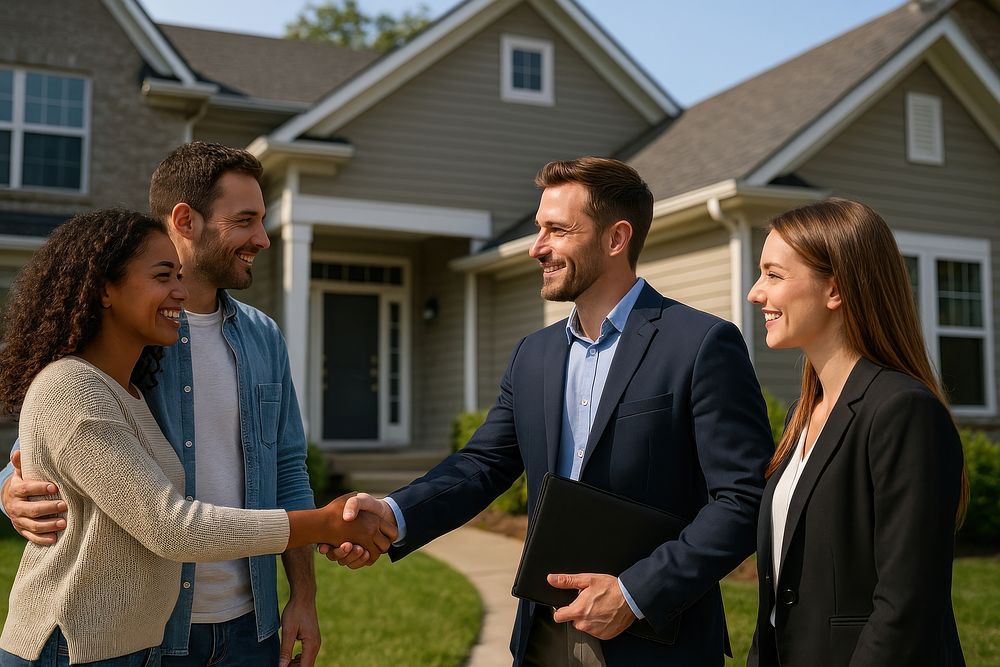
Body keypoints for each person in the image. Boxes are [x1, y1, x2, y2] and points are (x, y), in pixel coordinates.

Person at [337, 157, 774, 666]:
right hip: (542, 634)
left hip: (655, 638)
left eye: (557, 230)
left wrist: (635, 594)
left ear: (616, 238)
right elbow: (483, 464)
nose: (536, 247)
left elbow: (743, 498)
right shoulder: (533, 355)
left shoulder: (700, 344)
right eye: (538, 228)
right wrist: (394, 513)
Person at [0, 142, 377, 667]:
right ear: (186, 220)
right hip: (147, 632)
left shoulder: (263, 337)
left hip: (250, 625)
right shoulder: (126, 343)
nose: (263, 239)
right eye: (244, 220)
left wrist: (303, 596)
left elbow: (287, 469)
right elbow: (45, 445)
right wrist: (10, 490)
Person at [745, 198, 967, 666]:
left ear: (835, 289)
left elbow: (906, 606)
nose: (755, 293)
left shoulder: (902, 411)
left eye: (773, 275)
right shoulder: (801, 417)